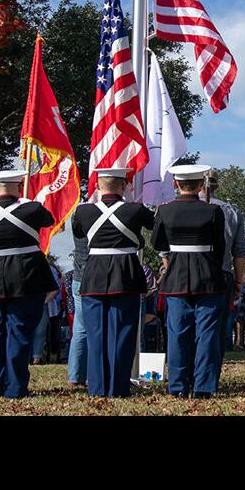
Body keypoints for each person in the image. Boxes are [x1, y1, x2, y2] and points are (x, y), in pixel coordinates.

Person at [0, 170, 57, 399]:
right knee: (19, 333)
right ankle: (15, 387)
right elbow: (49, 220)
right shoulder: (32, 209)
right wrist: (28, 203)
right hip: (25, 280)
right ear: (20, 187)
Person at [71, 167, 154, 398]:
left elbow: (79, 233)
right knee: (122, 333)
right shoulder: (135, 209)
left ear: (98, 186)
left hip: (94, 274)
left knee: (95, 335)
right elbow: (153, 226)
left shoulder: (83, 212)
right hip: (125, 274)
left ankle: (97, 387)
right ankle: (117, 387)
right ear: (125, 186)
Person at [154, 165, 227, 398]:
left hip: (176, 277)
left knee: (177, 334)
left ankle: (177, 386)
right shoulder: (214, 210)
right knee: (207, 333)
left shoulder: (164, 211)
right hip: (208, 276)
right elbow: (220, 247)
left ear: (176, 184)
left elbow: (157, 243)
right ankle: (204, 386)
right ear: (200, 186)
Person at [203, 171, 245, 371]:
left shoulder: (176, 208)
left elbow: (166, 251)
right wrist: (239, 281)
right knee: (217, 328)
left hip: (185, 273)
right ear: (217, 186)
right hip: (222, 273)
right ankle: (210, 373)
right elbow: (239, 251)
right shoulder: (231, 211)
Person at [67, 227, 89, 388]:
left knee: (80, 330)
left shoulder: (79, 216)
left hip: (79, 277)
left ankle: (76, 375)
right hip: (95, 276)